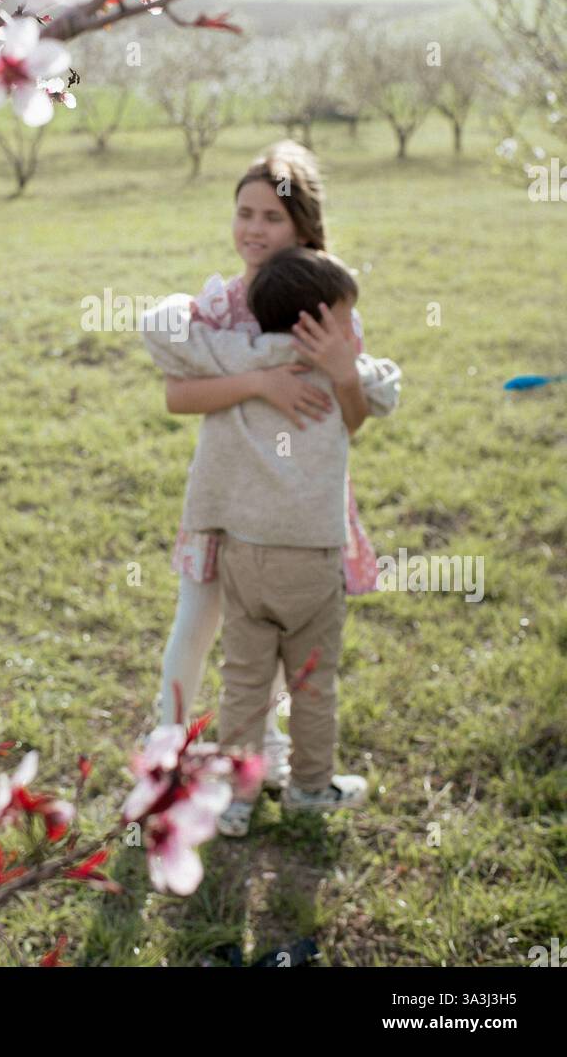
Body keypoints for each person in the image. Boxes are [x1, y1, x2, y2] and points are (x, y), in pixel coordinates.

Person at [141, 246, 401, 835]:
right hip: (311, 556)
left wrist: (188, 307)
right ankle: (309, 787)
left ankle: (235, 799)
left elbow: (162, 333)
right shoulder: (340, 372)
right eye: (342, 317)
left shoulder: (238, 353)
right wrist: (346, 363)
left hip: (243, 554)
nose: (349, 329)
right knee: (310, 683)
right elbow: (387, 392)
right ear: (315, 323)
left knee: (244, 681)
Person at [158, 142, 381, 791]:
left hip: (299, 513)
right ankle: (163, 755)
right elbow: (176, 396)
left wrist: (343, 373)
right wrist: (260, 383)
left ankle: (270, 761)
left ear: (305, 228)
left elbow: (355, 416)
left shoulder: (334, 313)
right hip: (226, 505)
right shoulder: (221, 308)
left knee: (274, 655)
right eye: (244, 213)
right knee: (194, 632)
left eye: (271, 218)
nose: (253, 229)